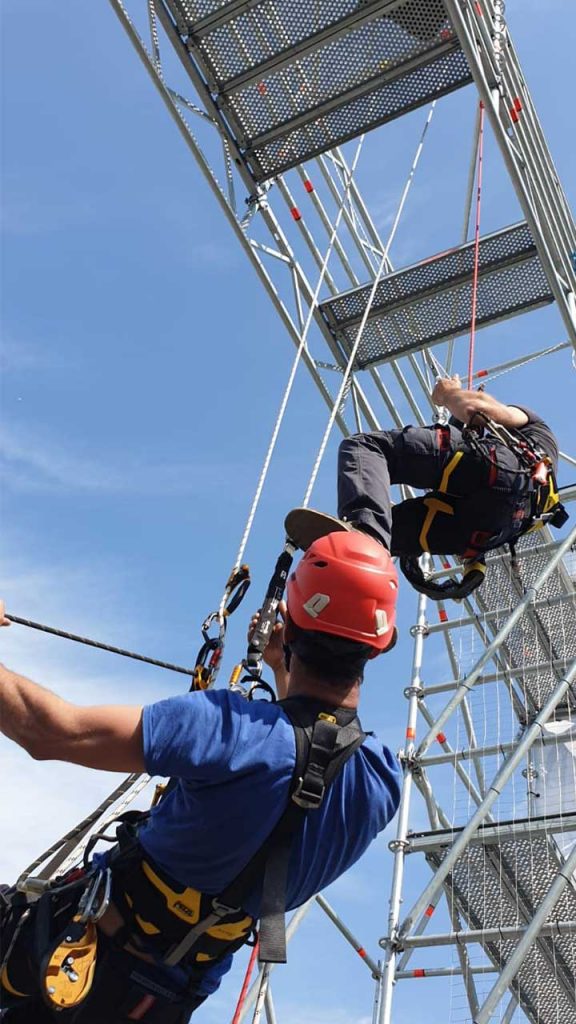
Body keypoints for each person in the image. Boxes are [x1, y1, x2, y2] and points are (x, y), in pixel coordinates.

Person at [0, 531, 401, 1023]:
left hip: (69, 956)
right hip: (160, 1002)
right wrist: (283, 669)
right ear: (379, 647)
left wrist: (282, 662)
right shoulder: (380, 783)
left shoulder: (228, 728)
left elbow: (49, 733)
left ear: (292, 626)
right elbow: (307, 759)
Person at [285, 377, 561, 592]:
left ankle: (365, 538)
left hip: (499, 471)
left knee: (366, 448)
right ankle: (360, 580)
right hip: (486, 530)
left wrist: (449, 392)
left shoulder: (535, 426)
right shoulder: (543, 473)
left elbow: (475, 408)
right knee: (389, 531)